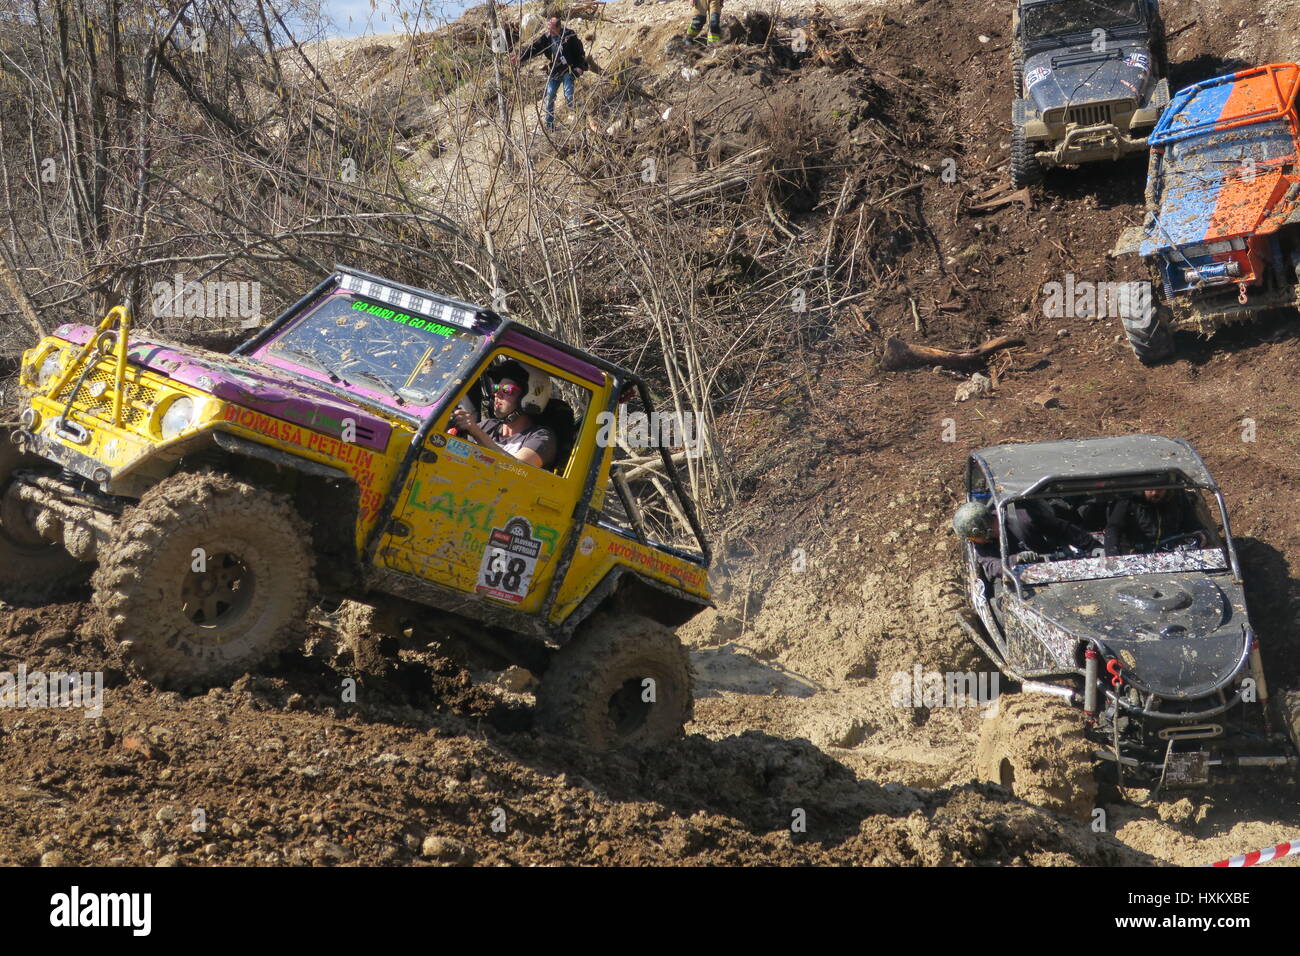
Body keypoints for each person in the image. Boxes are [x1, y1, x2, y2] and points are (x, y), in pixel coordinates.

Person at [953, 499, 1100, 580]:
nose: (971, 542)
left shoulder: (1024, 519)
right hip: (1016, 577)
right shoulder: (980, 543)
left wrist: (1093, 546)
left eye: (972, 537)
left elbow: (1063, 528)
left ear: (984, 529)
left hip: (1052, 567)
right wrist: (1016, 559)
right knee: (999, 603)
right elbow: (992, 566)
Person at [450, 360, 558, 469]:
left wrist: (476, 432)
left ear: (530, 397)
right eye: (496, 388)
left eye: (507, 390)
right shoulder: (487, 426)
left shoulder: (542, 437)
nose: (497, 394)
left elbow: (516, 469)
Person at [513, 16, 589, 130]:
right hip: (555, 72)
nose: (549, 30)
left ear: (558, 28)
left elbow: (579, 51)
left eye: (552, 28)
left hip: (569, 70)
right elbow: (534, 48)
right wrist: (521, 57)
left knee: (569, 97)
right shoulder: (546, 37)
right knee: (550, 97)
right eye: (549, 28)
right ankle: (549, 126)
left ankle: (581, 118)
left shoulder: (569, 35)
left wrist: (580, 67)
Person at [1103, 487, 1200, 556]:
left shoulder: (1178, 499)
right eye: (1150, 489)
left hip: (1172, 555)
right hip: (1134, 556)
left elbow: (1194, 526)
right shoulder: (1128, 501)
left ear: (1167, 489)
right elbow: (1113, 528)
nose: (1154, 493)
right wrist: (1113, 556)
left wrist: (1201, 536)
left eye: (1159, 489)